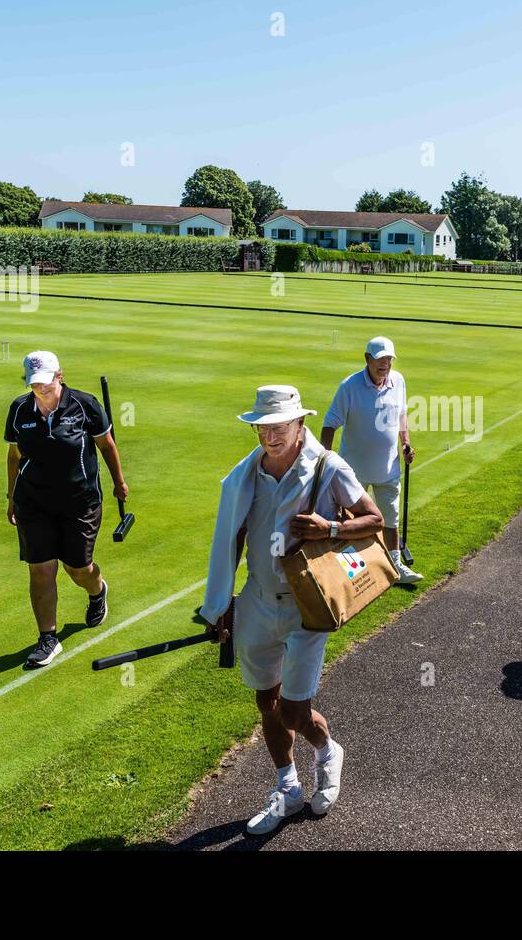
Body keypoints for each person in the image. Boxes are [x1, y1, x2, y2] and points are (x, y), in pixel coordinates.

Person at [199, 385, 384, 835]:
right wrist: (221, 606)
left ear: (299, 424)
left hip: (308, 605)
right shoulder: (244, 475)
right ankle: (288, 787)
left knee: (294, 711)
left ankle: (326, 750)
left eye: (279, 427)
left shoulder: (328, 466)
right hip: (259, 600)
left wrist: (330, 527)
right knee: (267, 702)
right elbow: (232, 537)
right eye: (263, 428)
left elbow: (374, 518)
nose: (270, 436)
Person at [4, 351, 128, 666]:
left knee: (77, 568)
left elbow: (106, 445)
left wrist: (118, 482)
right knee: (41, 568)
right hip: (33, 502)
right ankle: (48, 638)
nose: (41, 389)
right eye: (35, 385)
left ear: (60, 375)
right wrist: (11, 497)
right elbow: (15, 455)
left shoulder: (85, 406)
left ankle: (97, 590)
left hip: (80, 501)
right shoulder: (19, 409)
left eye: (46, 383)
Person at [322, 337, 423, 584]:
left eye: (389, 359)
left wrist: (405, 444)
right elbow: (329, 423)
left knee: (391, 517)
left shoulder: (398, 381)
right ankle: (353, 573)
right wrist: (324, 460)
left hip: (388, 467)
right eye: (380, 359)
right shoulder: (349, 386)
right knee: (351, 522)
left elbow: (401, 415)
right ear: (367, 359)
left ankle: (396, 567)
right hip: (353, 472)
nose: (385, 364)